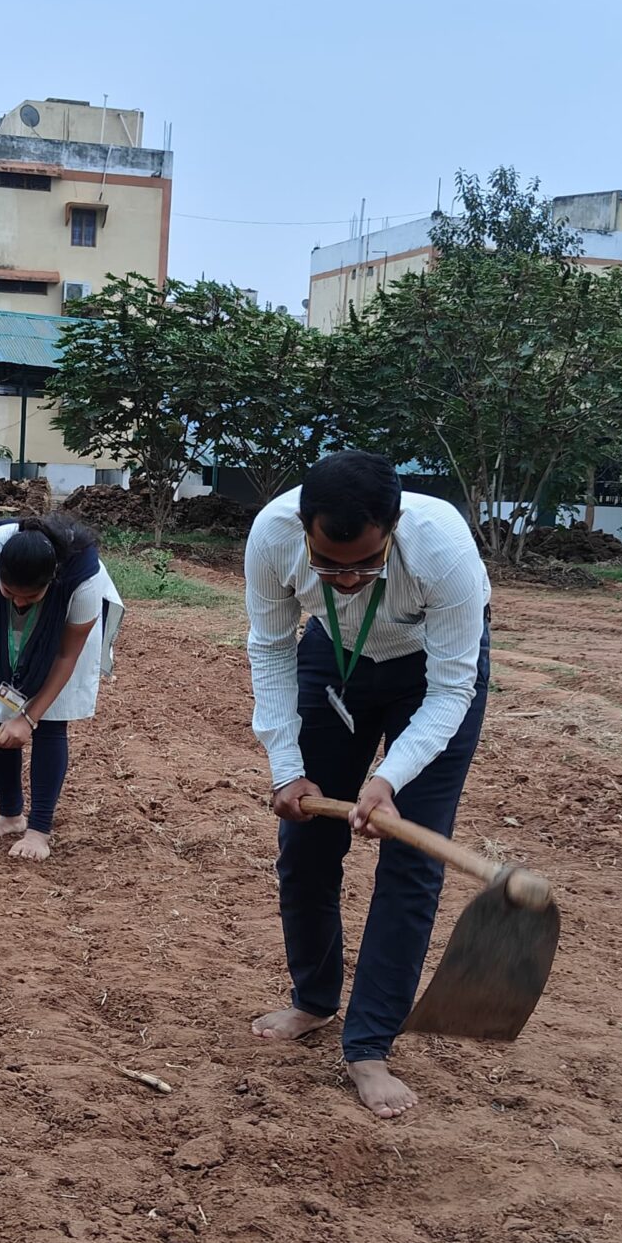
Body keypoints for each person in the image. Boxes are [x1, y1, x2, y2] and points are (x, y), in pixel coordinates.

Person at [243, 450, 491, 1118]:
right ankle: (314, 999)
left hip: (431, 679)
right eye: (328, 565)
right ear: (304, 530)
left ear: (395, 527)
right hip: (333, 658)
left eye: (364, 565)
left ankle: (369, 1044)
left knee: (412, 864)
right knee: (306, 844)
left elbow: (450, 690)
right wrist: (286, 766)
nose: (346, 579)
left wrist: (388, 779)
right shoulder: (272, 535)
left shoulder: (443, 553)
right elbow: (270, 648)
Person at [0, 512, 124, 862]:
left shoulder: (82, 578)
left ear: (51, 582)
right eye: (10, 593)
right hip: (0, 622)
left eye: (30, 596)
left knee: (51, 720)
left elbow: (67, 656)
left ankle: (39, 830)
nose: (19, 602)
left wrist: (30, 718)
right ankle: (10, 816)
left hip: (66, 630)